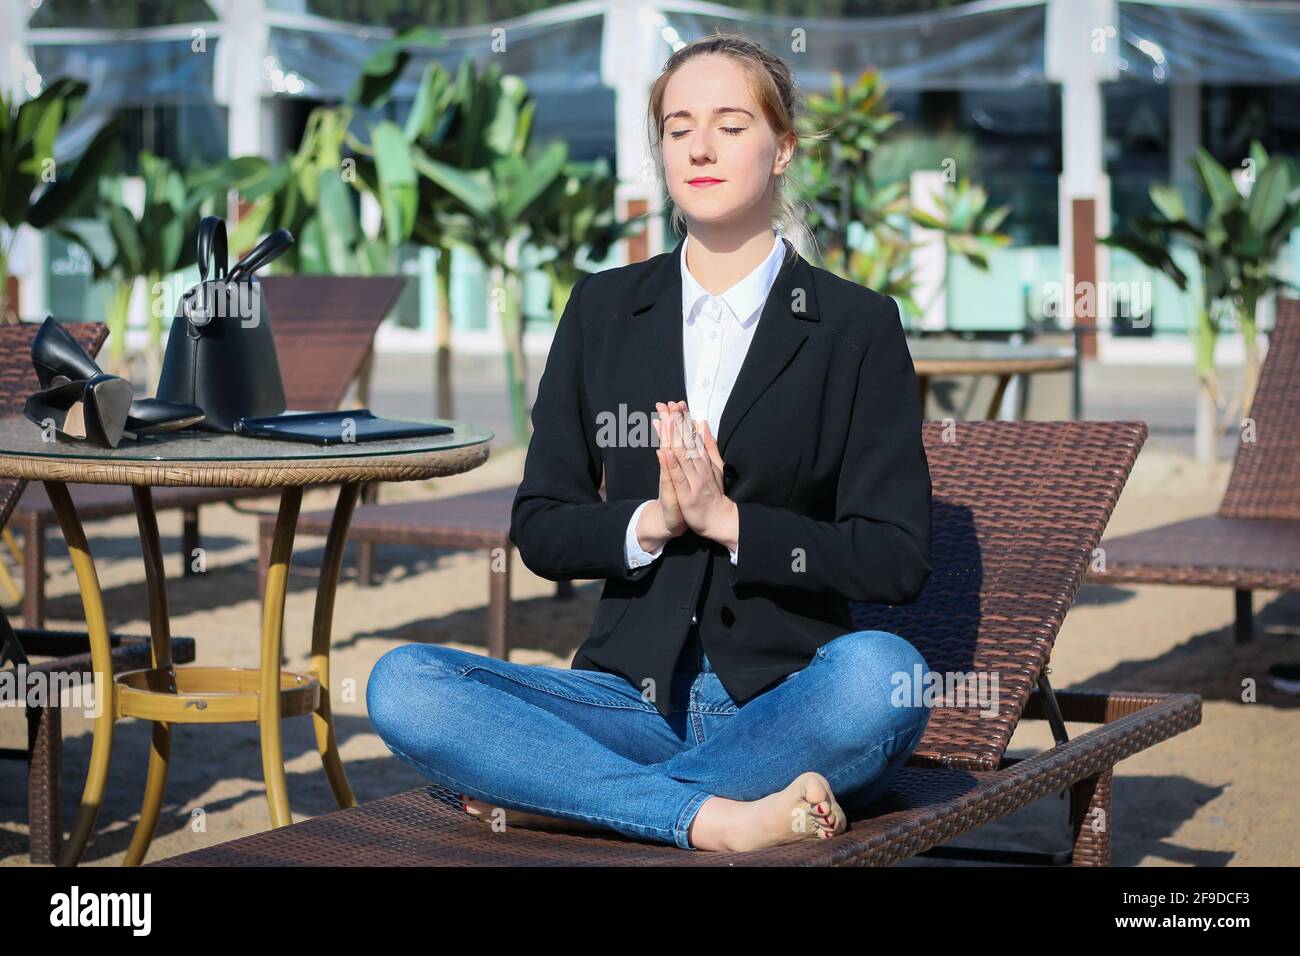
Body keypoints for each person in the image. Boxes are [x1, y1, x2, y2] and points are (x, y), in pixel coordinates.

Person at [367, 32, 934, 853]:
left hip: (790, 707)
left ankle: (565, 797)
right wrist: (656, 522)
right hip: (622, 708)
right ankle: (715, 819)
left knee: (884, 676)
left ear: (782, 150)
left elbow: (895, 556)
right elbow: (542, 526)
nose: (700, 146)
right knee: (406, 684)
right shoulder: (601, 310)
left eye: (731, 125)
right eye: (678, 127)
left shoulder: (855, 326)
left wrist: (728, 520)